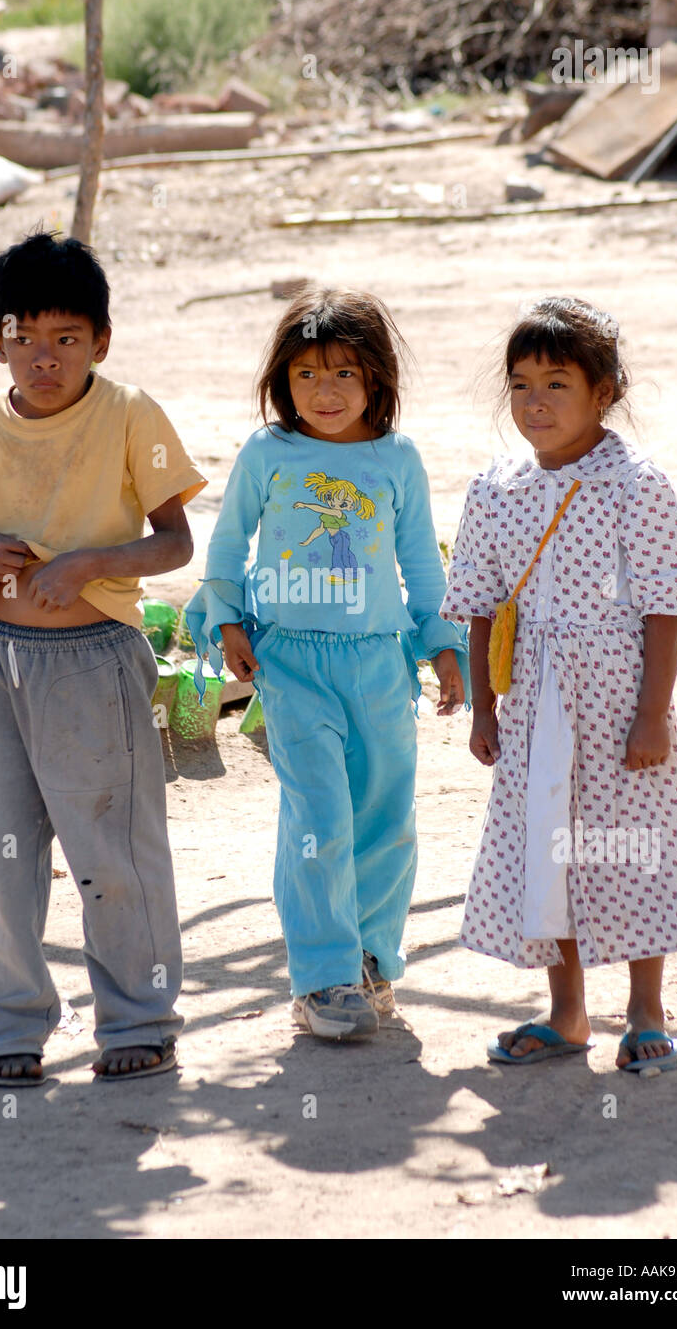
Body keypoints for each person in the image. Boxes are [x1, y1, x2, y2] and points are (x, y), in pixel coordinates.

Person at [0, 229, 206, 1085]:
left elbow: (176, 543)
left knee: (111, 851)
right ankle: (10, 1026)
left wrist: (93, 563)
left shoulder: (129, 415)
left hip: (95, 661)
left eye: (66, 340)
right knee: (3, 851)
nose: (43, 358)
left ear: (101, 342)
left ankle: (140, 1020)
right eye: (23, 338)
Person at [185, 286, 470, 1040]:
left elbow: (419, 560)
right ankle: (322, 979)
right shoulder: (267, 453)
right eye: (306, 374)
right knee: (317, 818)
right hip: (292, 664)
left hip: (380, 666)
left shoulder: (398, 459)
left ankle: (372, 958)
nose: (325, 390)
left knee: (386, 819)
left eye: (344, 373)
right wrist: (225, 619)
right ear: (283, 380)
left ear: (376, 376)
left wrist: (442, 645)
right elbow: (228, 542)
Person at [442, 296, 677, 1072]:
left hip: (619, 700)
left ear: (604, 393)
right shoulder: (494, 489)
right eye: (521, 382)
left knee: (631, 850)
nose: (535, 401)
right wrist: (484, 710)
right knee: (545, 850)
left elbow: (665, 608)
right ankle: (568, 1014)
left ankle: (647, 1012)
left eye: (557, 383)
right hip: (532, 703)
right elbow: (486, 608)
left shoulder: (636, 485)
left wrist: (652, 717)